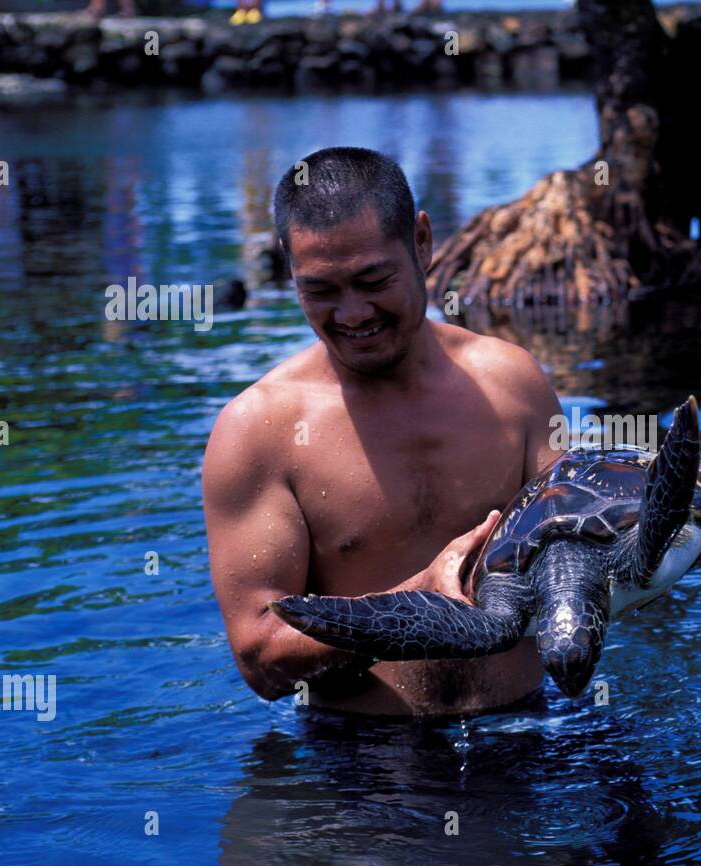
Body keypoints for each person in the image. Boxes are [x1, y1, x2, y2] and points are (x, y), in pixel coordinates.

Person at [203, 147, 563, 716]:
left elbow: (577, 546)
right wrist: (418, 607)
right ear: (287, 262)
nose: (352, 315)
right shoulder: (258, 431)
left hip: (530, 732)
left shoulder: (512, 381)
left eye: (373, 280)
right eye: (320, 290)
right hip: (362, 764)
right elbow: (261, 659)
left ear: (422, 242)